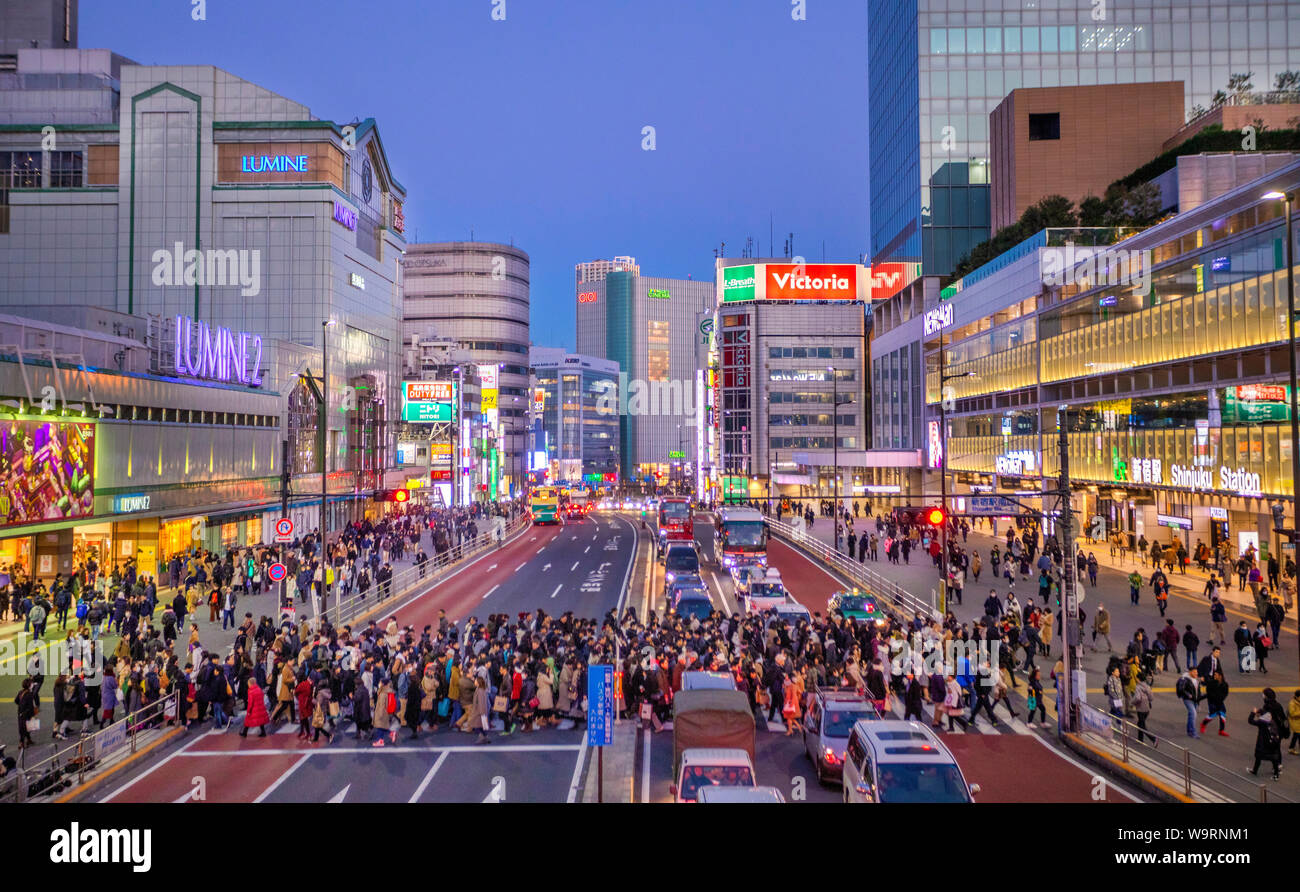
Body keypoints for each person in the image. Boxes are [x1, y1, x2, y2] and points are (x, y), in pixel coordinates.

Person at [1247, 689, 1288, 781]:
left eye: (1263, 695)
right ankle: (1277, 767)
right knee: (1276, 749)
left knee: (1266, 751)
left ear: (1266, 696)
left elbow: (1259, 719)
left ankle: (1273, 768)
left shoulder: (1267, 707)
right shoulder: (1278, 705)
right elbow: (1283, 719)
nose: (1262, 696)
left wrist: (1255, 714)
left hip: (1268, 733)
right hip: (1278, 732)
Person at [1201, 669, 1229, 737]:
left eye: (1216, 675)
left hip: (1220, 702)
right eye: (1214, 674)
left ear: (1220, 676)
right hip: (1212, 702)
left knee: (1222, 714)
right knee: (1212, 715)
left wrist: (1221, 699)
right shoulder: (1211, 683)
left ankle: (1221, 730)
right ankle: (1203, 724)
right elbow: (1208, 692)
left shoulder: (1225, 684)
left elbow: (1225, 693)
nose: (1214, 676)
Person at [1176, 666, 1201, 739]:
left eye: (1197, 672)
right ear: (1190, 672)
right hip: (1188, 699)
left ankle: (1189, 730)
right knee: (1193, 714)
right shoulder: (1184, 679)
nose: (1196, 673)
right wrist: (1188, 695)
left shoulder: (1196, 680)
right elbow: (1181, 689)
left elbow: (1197, 691)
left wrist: (1199, 701)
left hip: (1195, 700)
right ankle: (1193, 732)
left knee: (1192, 715)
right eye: (1195, 672)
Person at [1132, 672, 1156, 746]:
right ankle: (1140, 740)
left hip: (1140, 709)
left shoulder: (1138, 687)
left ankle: (1153, 739)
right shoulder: (1147, 686)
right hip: (1147, 709)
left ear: (1138, 679)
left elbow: (1137, 698)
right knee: (1140, 723)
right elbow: (1151, 697)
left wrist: (1132, 702)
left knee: (1142, 725)